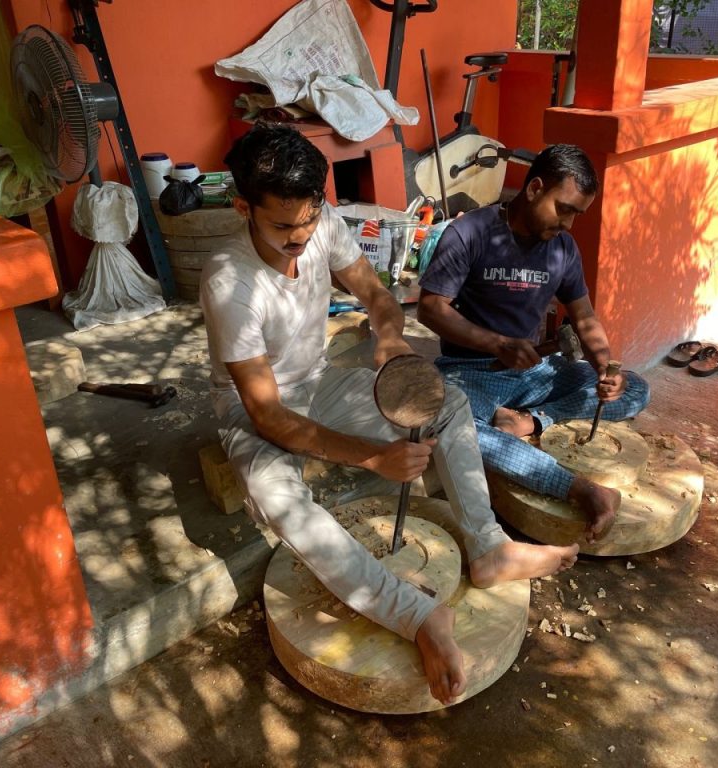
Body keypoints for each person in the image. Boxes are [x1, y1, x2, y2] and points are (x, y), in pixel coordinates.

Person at [200, 125, 578, 706]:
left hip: (319, 384)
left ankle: (488, 546)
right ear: (243, 206)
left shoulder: (321, 224)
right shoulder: (230, 282)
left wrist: (388, 339)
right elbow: (271, 417)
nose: (301, 237)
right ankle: (416, 616)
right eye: (282, 226)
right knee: (279, 499)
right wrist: (374, 456)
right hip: (256, 411)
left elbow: (377, 295)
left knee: (447, 402)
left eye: (308, 220)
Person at [417, 144, 650, 543]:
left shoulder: (562, 248)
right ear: (534, 188)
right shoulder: (469, 232)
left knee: (638, 388)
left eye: (578, 213)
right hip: (473, 372)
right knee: (446, 424)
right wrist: (497, 344)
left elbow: (584, 317)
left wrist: (605, 367)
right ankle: (578, 487)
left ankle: (534, 420)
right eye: (564, 208)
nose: (570, 224)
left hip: (535, 373)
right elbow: (430, 309)